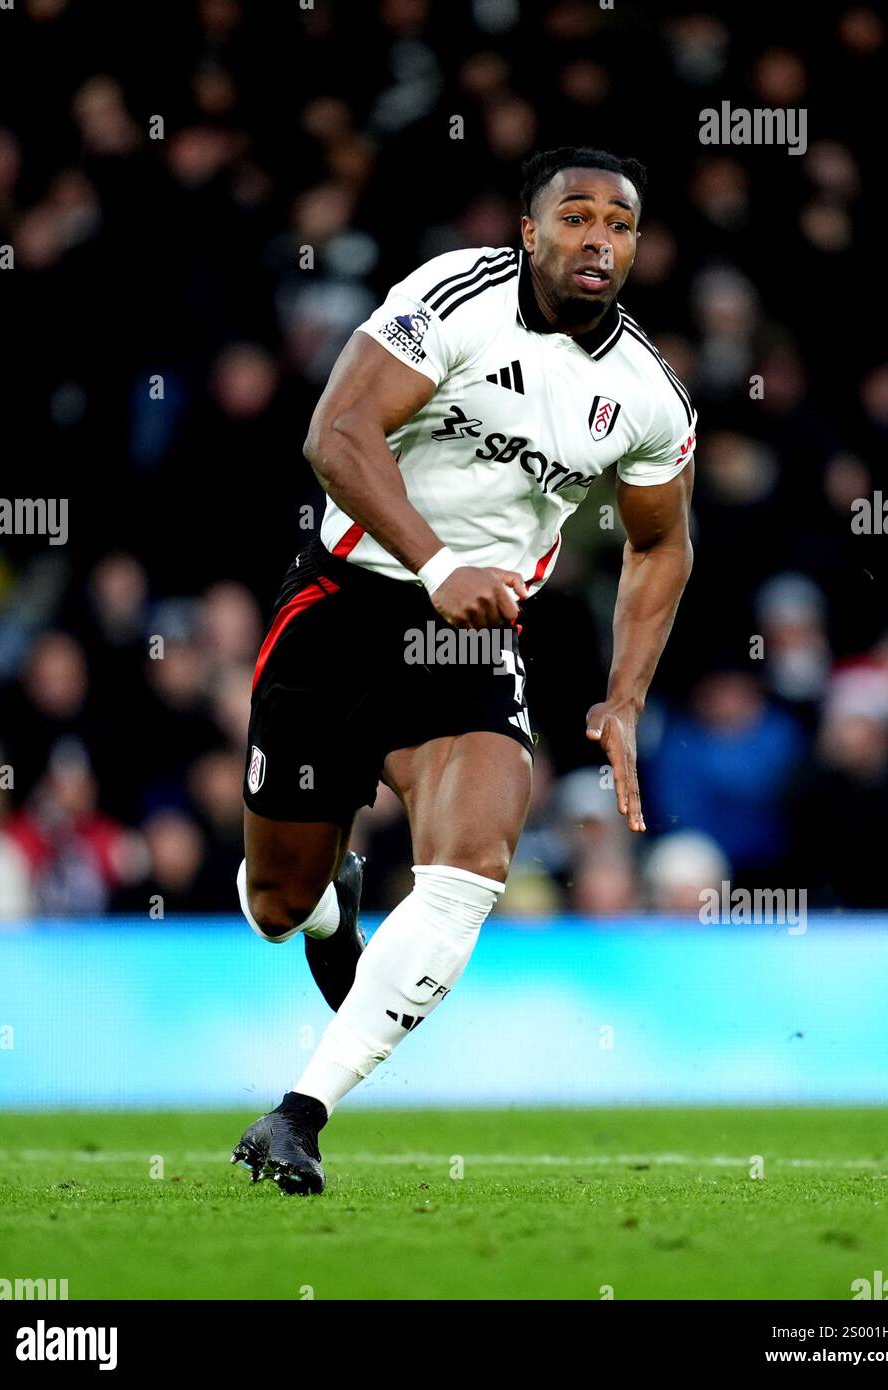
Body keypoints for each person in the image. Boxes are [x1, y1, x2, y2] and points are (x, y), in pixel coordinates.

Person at [232, 145, 696, 1194]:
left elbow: (662, 541)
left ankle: (298, 1115)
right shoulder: (451, 297)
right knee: (274, 899)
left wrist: (625, 697)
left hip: (470, 640)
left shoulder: (646, 395)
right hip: (340, 612)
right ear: (529, 232)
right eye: (576, 217)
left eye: (619, 225)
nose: (599, 240)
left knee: (471, 865)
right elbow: (336, 433)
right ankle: (327, 905)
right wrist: (436, 563)